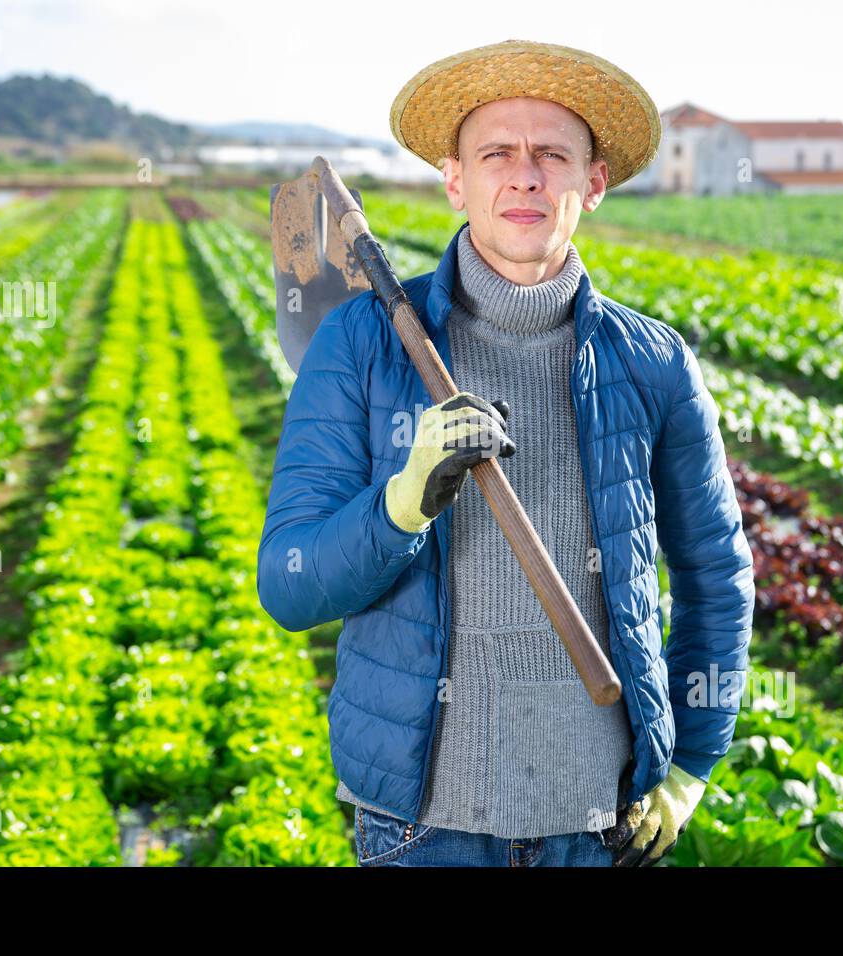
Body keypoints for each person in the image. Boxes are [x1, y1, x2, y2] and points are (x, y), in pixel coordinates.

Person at [257, 39, 754, 867]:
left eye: (552, 154)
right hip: (421, 829)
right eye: (497, 153)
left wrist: (694, 761)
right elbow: (290, 584)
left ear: (591, 183)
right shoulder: (362, 342)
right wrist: (400, 503)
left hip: (599, 827)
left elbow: (715, 572)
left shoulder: (654, 364)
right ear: (455, 179)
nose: (524, 176)